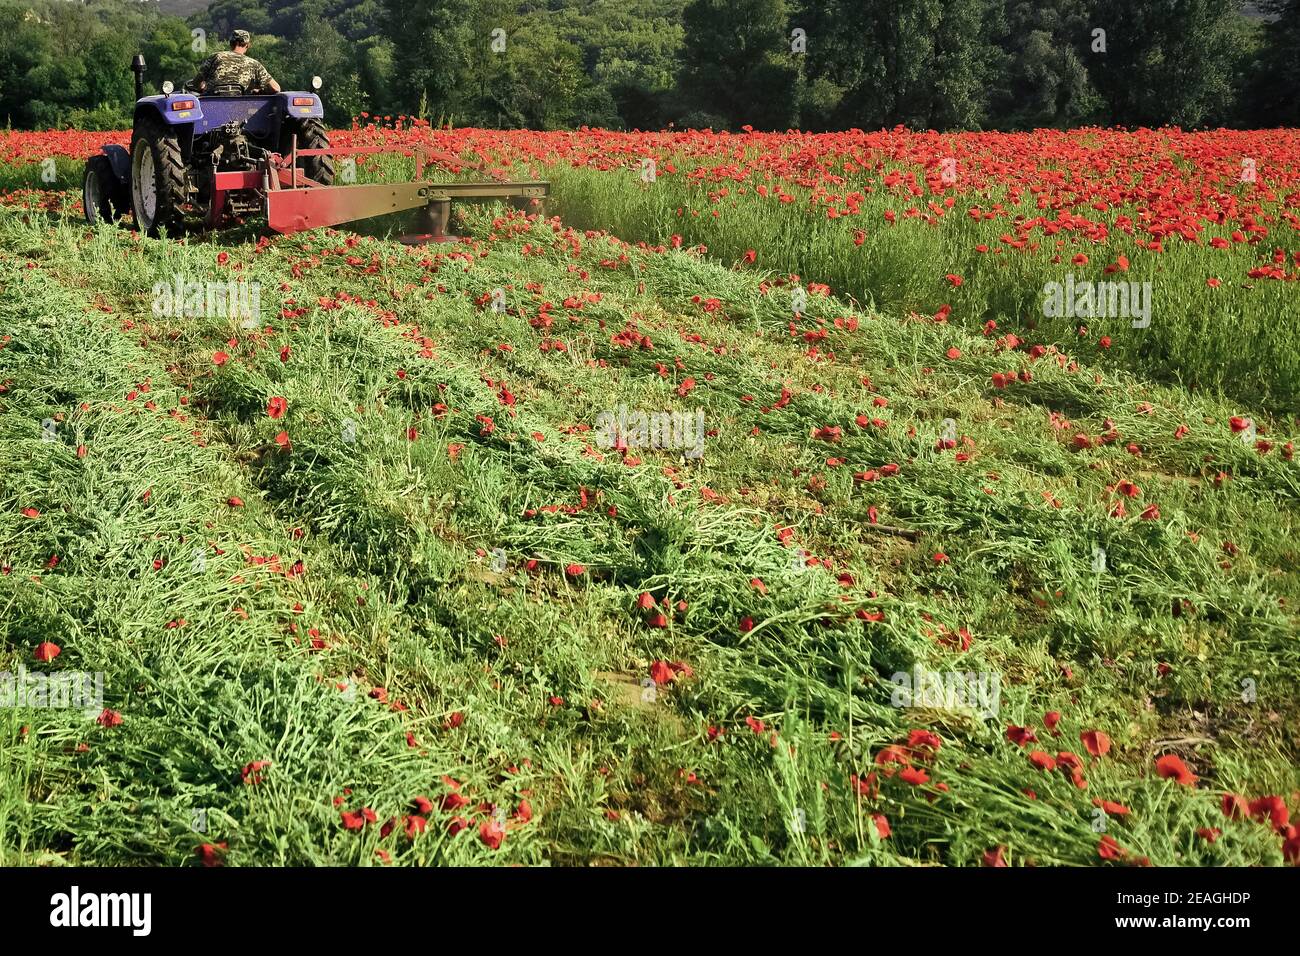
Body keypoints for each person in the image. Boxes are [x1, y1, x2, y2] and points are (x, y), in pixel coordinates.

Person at [190, 30, 281, 94]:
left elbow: (196, 83)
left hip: (212, 104)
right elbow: (276, 88)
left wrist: (202, 87)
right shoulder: (254, 64)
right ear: (248, 45)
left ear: (230, 43)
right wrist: (258, 92)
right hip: (242, 108)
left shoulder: (216, 57)